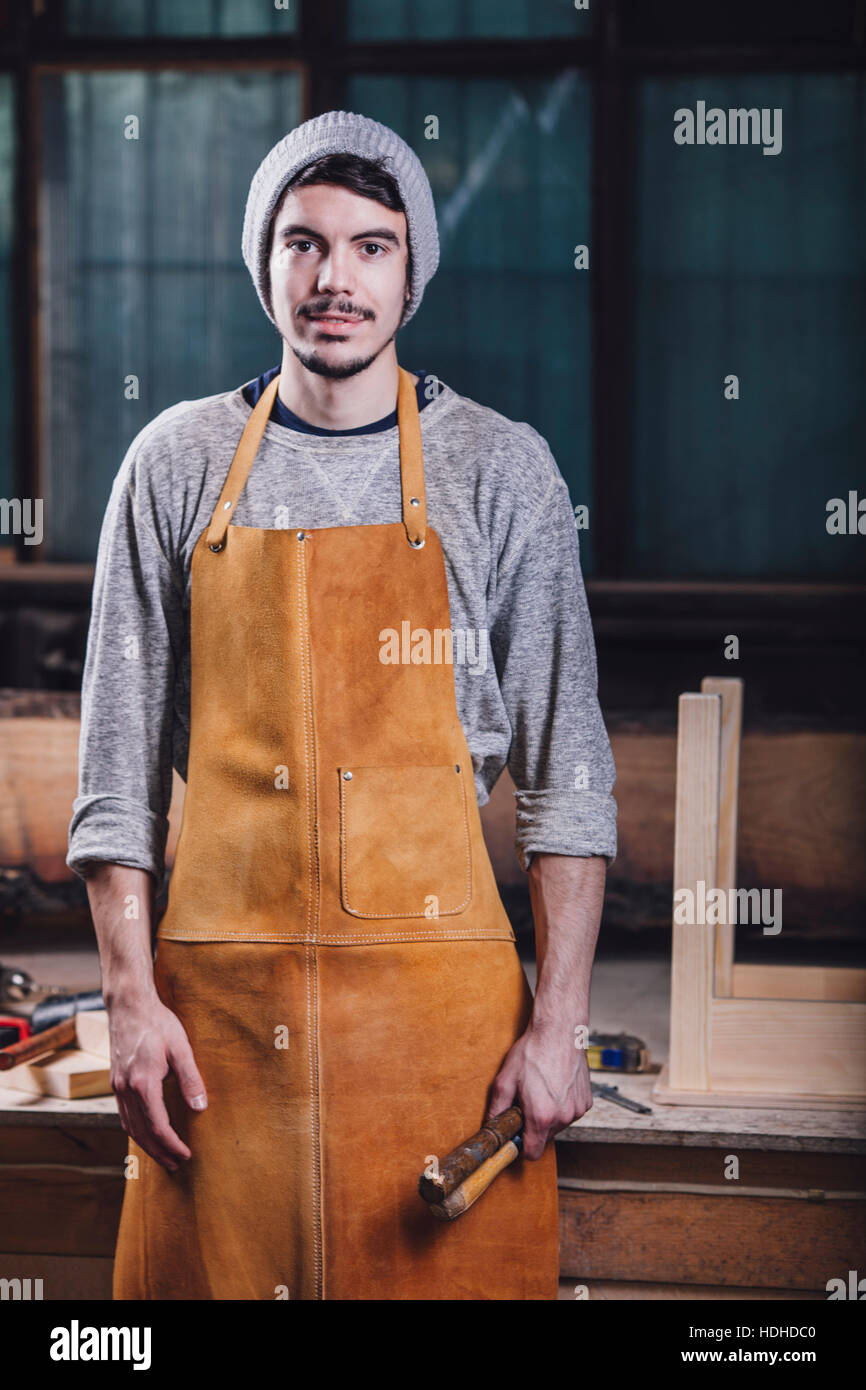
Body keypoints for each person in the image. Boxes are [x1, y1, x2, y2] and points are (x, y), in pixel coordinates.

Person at [67, 110, 617, 1301]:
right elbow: (113, 778)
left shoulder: (498, 469)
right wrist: (128, 1004)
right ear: (264, 266)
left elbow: (567, 775)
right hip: (214, 1046)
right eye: (304, 244)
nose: (334, 279)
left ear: (412, 271)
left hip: (439, 1043)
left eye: (371, 247)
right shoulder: (173, 465)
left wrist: (558, 1023)